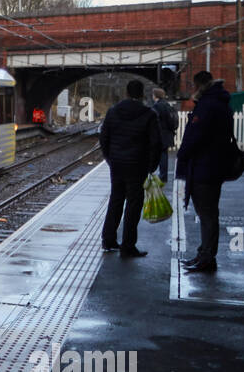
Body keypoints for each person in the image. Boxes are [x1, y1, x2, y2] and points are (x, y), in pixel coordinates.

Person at [99, 79, 163, 258]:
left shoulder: (113, 111)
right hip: (137, 165)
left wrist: (110, 159)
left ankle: (108, 240)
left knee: (116, 200)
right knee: (133, 205)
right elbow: (155, 143)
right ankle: (128, 245)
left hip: (117, 165)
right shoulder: (149, 114)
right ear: (141, 94)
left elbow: (104, 138)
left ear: (126, 92)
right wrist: (152, 165)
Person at [176, 70, 231, 273]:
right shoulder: (218, 103)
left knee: (207, 214)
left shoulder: (208, 106)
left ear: (198, 85)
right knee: (206, 213)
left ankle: (207, 257)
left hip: (205, 166)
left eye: (193, 86)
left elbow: (195, 136)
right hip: (210, 165)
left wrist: (183, 155)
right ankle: (204, 253)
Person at [150, 87, 178, 183]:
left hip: (160, 134)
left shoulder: (157, 106)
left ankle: (160, 176)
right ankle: (163, 176)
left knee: (160, 155)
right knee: (164, 154)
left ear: (155, 95)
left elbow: (154, 121)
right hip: (167, 134)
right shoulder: (166, 105)